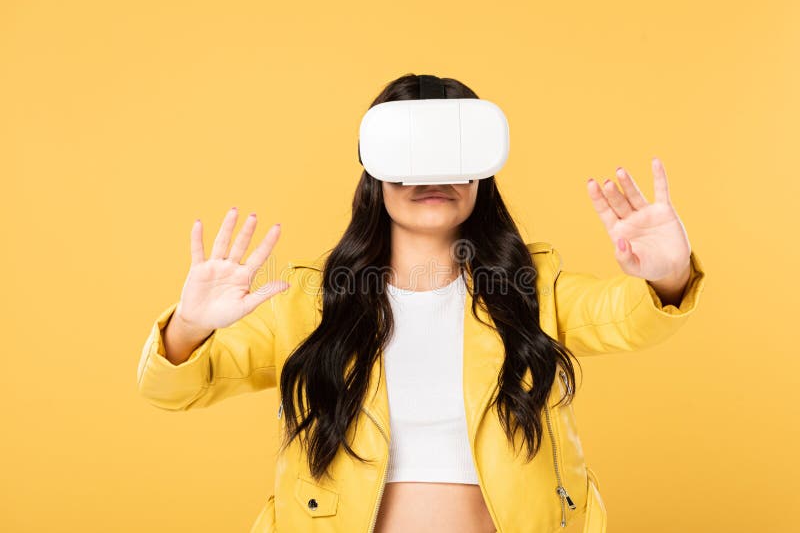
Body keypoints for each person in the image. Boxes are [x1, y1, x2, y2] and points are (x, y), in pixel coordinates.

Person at [137, 73, 706, 533]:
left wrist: (668, 274)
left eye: (452, 152)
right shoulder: (308, 301)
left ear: (482, 169)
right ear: (374, 170)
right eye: (410, 154)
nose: (431, 175)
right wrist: (189, 325)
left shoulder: (532, 288)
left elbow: (630, 319)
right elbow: (175, 388)